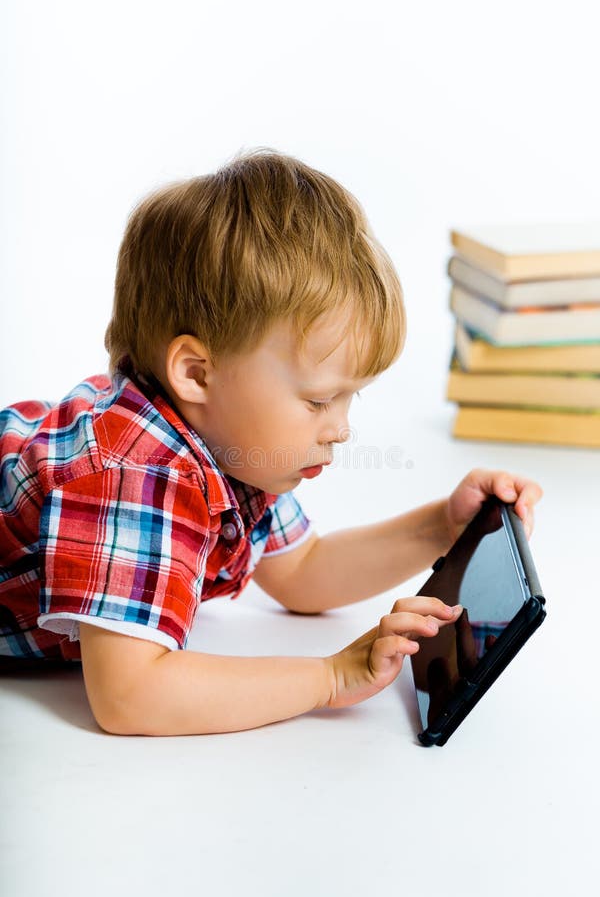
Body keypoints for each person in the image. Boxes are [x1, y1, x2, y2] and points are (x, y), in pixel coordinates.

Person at [0, 149, 542, 734]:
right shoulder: (134, 472)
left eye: (348, 398)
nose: (340, 428)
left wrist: (441, 526)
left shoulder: (232, 453)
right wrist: (330, 677)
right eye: (316, 401)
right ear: (197, 374)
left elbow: (303, 573)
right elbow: (130, 695)